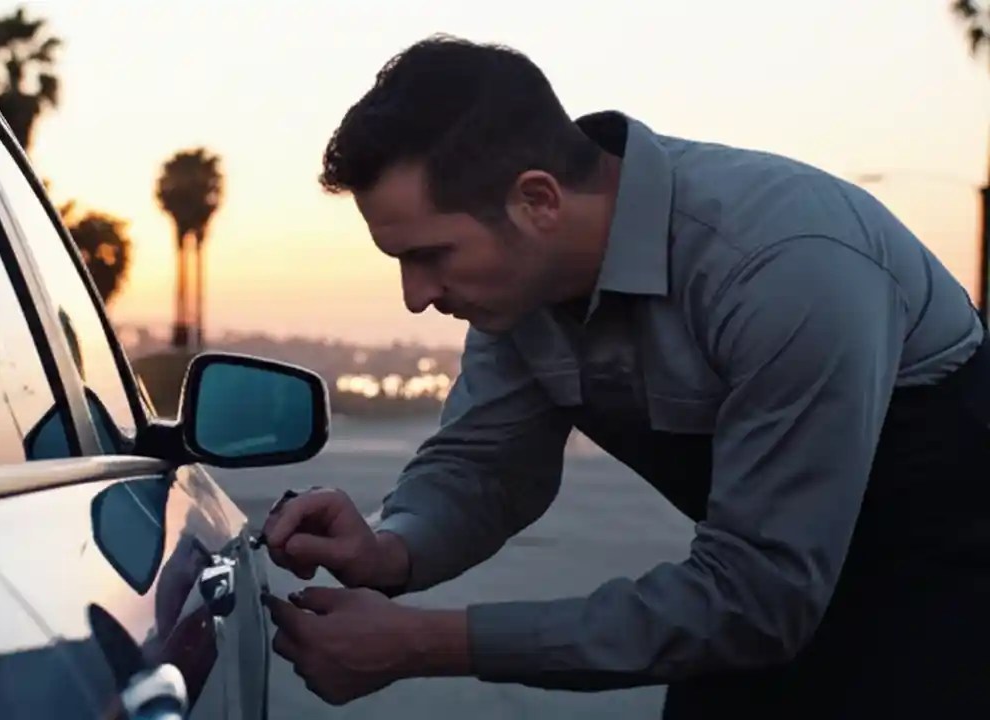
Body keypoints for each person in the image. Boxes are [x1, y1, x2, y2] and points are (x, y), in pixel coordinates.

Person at [258, 34, 990, 718]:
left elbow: (759, 600)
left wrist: (421, 642)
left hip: (946, 596)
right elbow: (487, 464)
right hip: (751, 595)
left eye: (432, 255)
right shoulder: (521, 284)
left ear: (538, 200)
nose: (415, 296)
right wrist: (387, 548)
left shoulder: (785, 266)